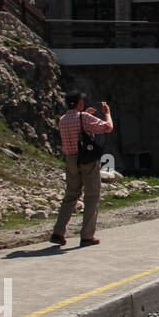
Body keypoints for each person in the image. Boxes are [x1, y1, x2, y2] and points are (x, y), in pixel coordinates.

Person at [51, 91, 114, 247]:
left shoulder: (63, 120)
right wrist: (107, 113)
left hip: (70, 160)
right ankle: (87, 235)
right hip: (87, 160)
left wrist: (85, 114)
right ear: (79, 102)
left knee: (71, 195)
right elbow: (107, 127)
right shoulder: (84, 118)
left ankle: (58, 232)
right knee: (92, 196)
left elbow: (76, 130)